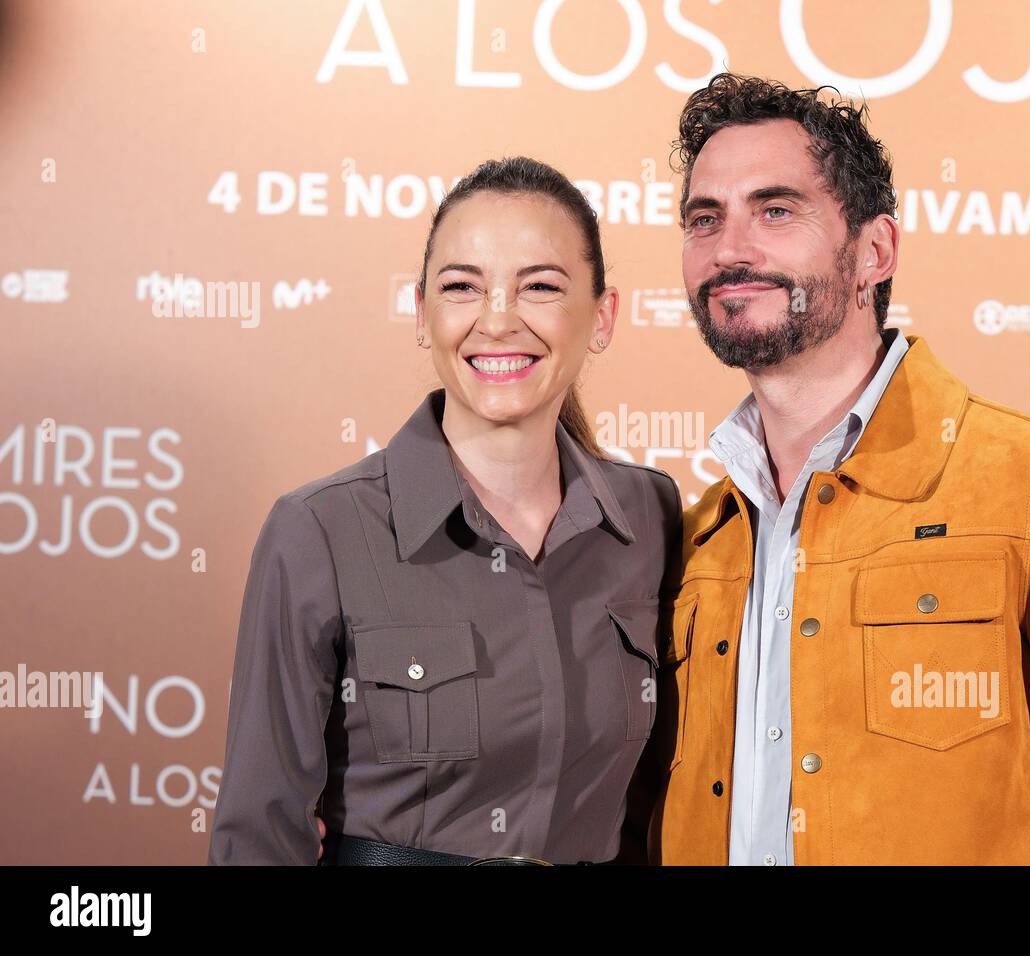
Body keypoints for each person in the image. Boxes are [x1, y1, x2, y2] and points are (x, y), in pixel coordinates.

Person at [629, 73, 1030, 865]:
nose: (731, 248)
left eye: (775, 210)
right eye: (705, 219)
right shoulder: (699, 534)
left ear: (875, 250)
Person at [208, 156, 680, 865]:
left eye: (541, 287)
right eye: (462, 286)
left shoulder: (650, 516)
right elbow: (258, 833)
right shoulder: (318, 532)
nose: (497, 321)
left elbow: (657, 801)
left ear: (603, 316)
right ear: (422, 311)